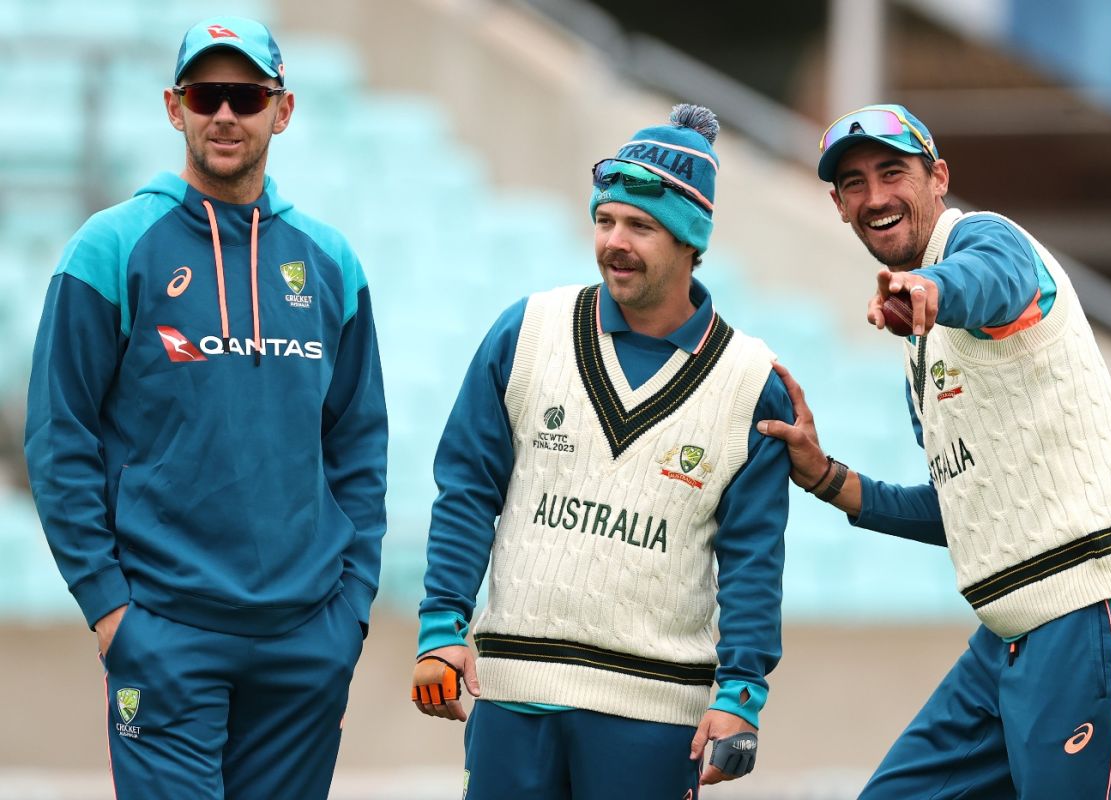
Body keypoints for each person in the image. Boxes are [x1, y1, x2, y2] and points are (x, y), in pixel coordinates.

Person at [760, 103, 1111, 798]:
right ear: (837, 206)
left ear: (939, 179)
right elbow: (962, 505)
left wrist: (931, 289)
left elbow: (993, 279)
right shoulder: (920, 346)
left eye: (892, 172)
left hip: (1088, 608)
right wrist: (828, 478)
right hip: (1012, 631)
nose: (875, 197)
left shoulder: (986, 241)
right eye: (855, 184)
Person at [24, 16, 387, 799]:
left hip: (305, 642)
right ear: (174, 106)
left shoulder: (331, 263)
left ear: (281, 111)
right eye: (206, 93)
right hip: (163, 632)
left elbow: (359, 446)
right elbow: (60, 438)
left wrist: (350, 613)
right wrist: (110, 610)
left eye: (246, 95)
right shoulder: (109, 248)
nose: (225, 114)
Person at [411, 104, 791, 799]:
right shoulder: (525, 332)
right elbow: (467, 489)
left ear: (690, 242)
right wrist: (441, 624)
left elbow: (753, 559)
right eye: (606, 219)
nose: (615, 241)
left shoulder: (752, 383)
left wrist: (740, 693)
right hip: (513, 697)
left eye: (641, 227)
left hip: (653, 715)